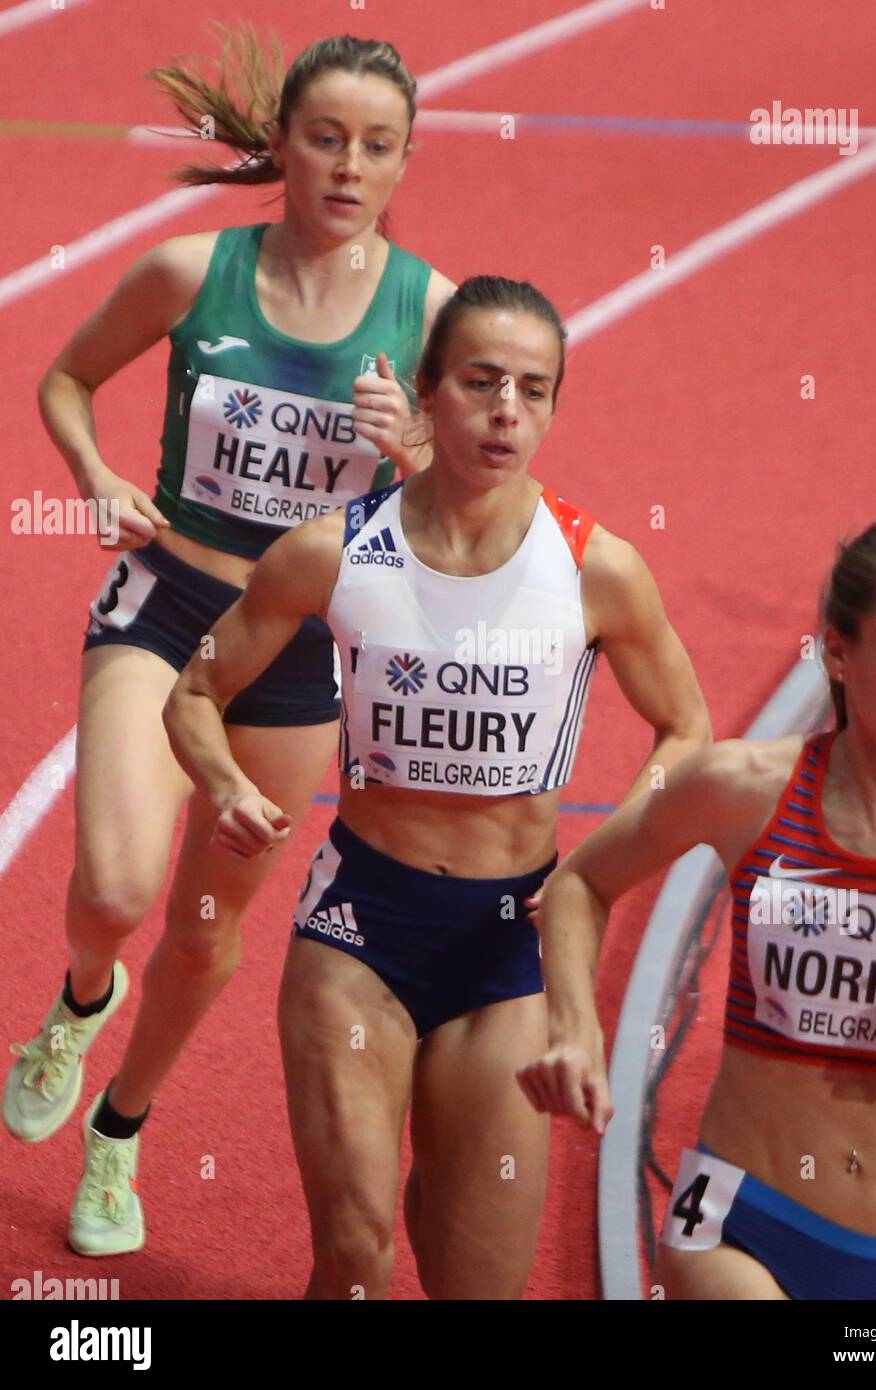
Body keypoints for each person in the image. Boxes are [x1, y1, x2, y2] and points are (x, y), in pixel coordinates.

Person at [162, 275, 712, 1297]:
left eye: (535, 390)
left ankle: (444, 1184)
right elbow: (195, 692)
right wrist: (223, 778)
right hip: (362, 925)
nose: (508, 410)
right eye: (482, 381)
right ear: (427, 392)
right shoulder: (333, 552)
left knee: (477, 1281)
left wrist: (610, 852)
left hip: (512, 944)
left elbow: (685, 729)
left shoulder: (598, 569)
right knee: (359, 1252)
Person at [3, 30, 457, 1259]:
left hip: (304, 650)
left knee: (206, 927)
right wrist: (95, 473)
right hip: (164, 602)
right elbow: (61, 379)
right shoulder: (190, 271)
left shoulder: (436, 314)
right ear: (283, 147)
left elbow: (480, 510)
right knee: (111, 888)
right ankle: (79, 999)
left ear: (404, 160)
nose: (348, 166)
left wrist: (415, 450)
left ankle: (120, 1124)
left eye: (376, 146)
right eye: (326, 139)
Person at [519, 518, 876, 1300]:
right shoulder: (741, 788)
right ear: (839, 654)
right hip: (737, 1218)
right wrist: (575, 1032)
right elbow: (582, 884)